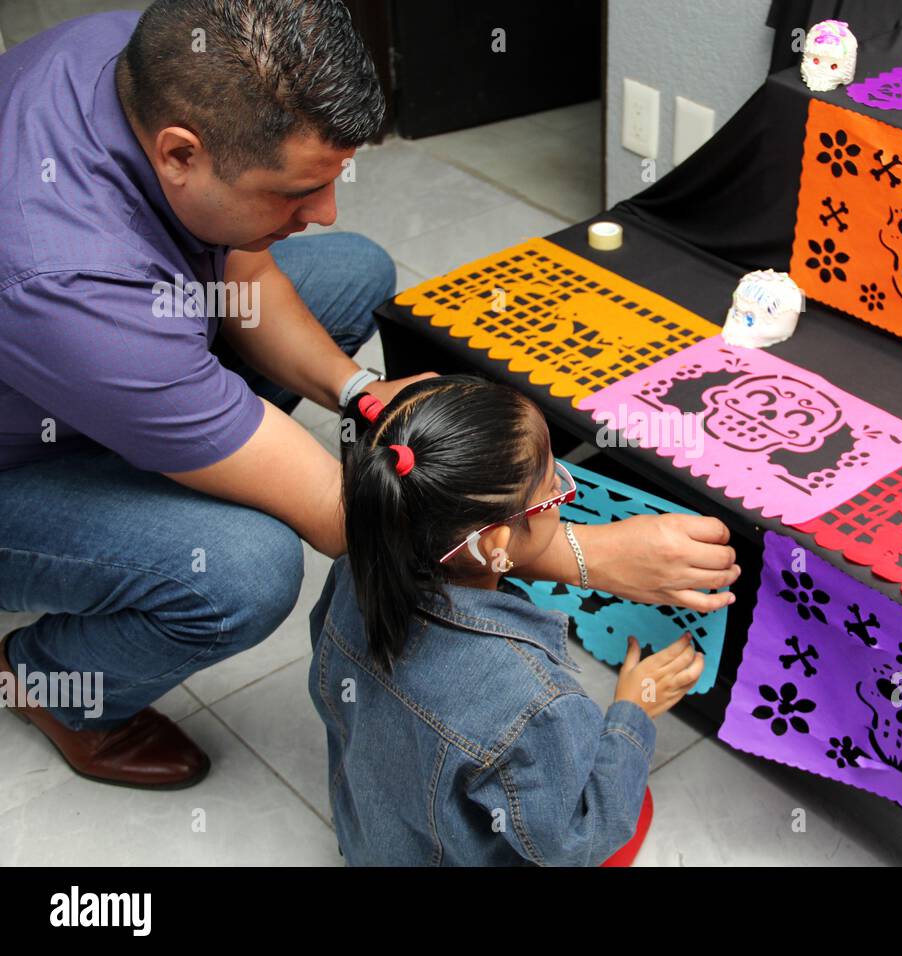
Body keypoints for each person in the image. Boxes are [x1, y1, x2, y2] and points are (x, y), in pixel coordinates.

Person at [0, 1, 738, 791]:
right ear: (180, 154)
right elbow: (338, 516)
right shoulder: (70, 282)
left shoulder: (160, 55)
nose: (323, 211)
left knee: (352, 268)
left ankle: (167, 445)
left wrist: (359, 391)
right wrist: (586, 554)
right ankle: (50, 685)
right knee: (244, 569)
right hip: (28, 445)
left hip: (93, 363)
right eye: (295, 193)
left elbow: (238, 265)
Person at [311, 377, 706, 865]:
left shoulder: (349, 576)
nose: (563, 491)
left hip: (369, 846)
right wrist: (631, 713)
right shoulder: (535, 702)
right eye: (551, 489)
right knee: (629, 807)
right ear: (494, 545)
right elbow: (575, 841)